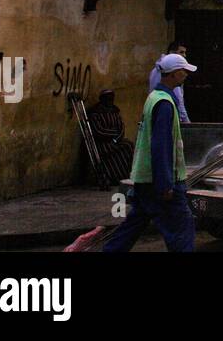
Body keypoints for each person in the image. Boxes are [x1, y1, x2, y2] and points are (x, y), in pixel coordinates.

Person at [103, 55, 198, 252]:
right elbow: (160, 146)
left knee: (133, 225)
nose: (186, 75)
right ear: (173, 74)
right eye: (183, 71)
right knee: (182, 229)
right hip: (160, 181)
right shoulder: (164, 103)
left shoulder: (153, 98)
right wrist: (165, 184)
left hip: (145, 179)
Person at [85, 88, 134, 187]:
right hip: (102, 142)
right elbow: (98, 131)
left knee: (129, 146)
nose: (110, 101)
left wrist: (116, 139)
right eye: (107, 98)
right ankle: (112, 176)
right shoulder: (96, 113)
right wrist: (113, 135)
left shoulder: (114, 111)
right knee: (115, 149)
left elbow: (121, 127)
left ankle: (123, 176)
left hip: (115, 140)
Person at [148, 41, 190, 124]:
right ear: (174, 73)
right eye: (181, 52)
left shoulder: (154, 71)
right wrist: (186, 122)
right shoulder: (165, 103)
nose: (184, 55)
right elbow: (179, 100)